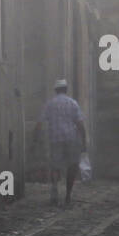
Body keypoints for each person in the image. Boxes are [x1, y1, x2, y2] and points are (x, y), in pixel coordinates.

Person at [34, 79, 87, 207]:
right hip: (71, 138)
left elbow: (40, 122)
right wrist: (84, 140)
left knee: (55, 165)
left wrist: (35, 138)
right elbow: (80, 123)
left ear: (55, 90)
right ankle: (68, 194)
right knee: (72, 165)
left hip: (55, 138)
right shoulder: (73, 103)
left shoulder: (49, 104)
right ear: (66, 89)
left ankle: (54, 189)